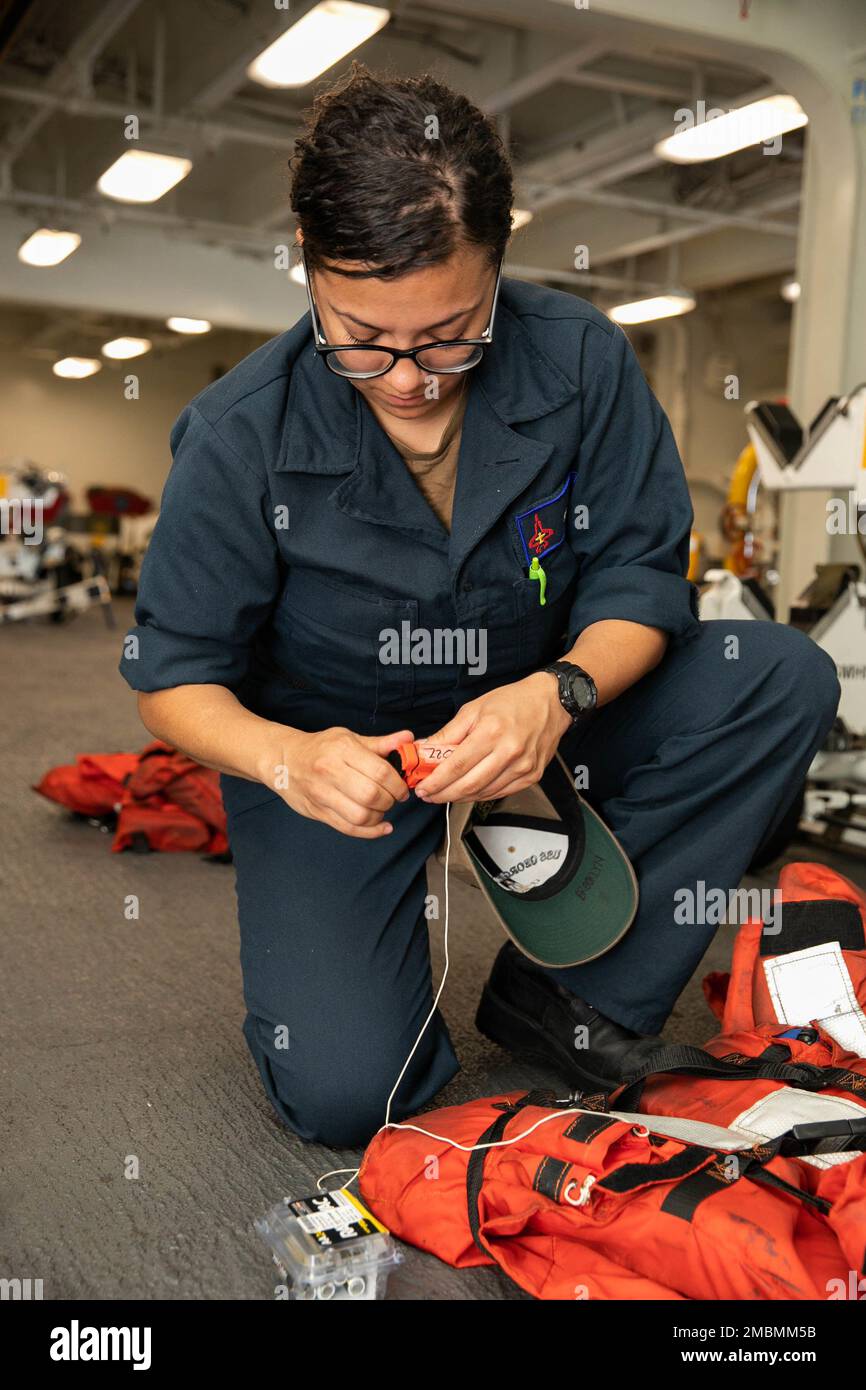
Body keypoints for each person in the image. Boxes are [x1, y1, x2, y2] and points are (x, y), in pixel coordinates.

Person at [120, 66, 840, 1147]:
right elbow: (172, 677)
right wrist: (286, 761)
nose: (407, 377)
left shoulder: (581, 359)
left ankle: (573, 997)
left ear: (498, 267)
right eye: (358, 336)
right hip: (333, 757)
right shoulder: (238, 435)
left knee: (778, 673)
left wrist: (558, 693)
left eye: (450, 333)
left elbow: (641, 581)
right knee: (348, 1093)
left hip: (540, 717)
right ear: (308, 272)